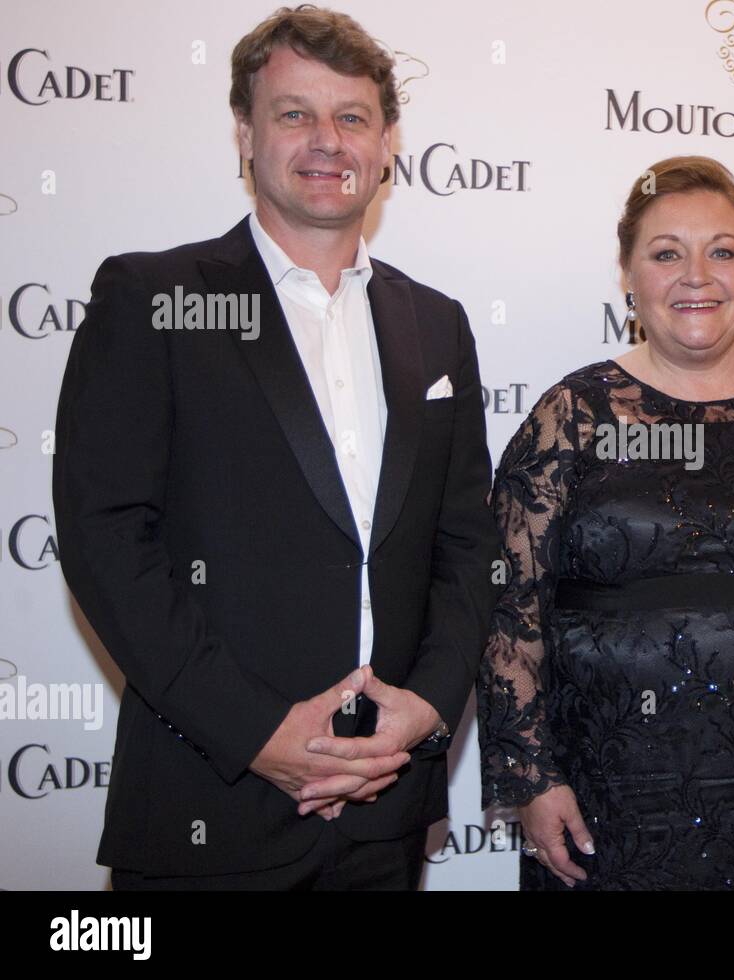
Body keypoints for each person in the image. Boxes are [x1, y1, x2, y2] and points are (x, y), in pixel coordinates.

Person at [52, 5, 500, 890]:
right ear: (246, 137)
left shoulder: (437, 326)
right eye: (294, 114)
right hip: (207, 810)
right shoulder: (156, 296)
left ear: (386, 144)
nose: (326, 140)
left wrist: (426, 712)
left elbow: (467, 547)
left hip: (386, 813)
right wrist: (260, 735)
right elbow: (106, 542)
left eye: (352, 117)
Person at [476, 156, 734, 889]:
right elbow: (507, 607)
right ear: (626, 275)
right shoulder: (574, 415)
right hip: (610, 800)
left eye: (722, 250)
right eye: (665, 254)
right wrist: (530, 776)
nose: (697, 275)